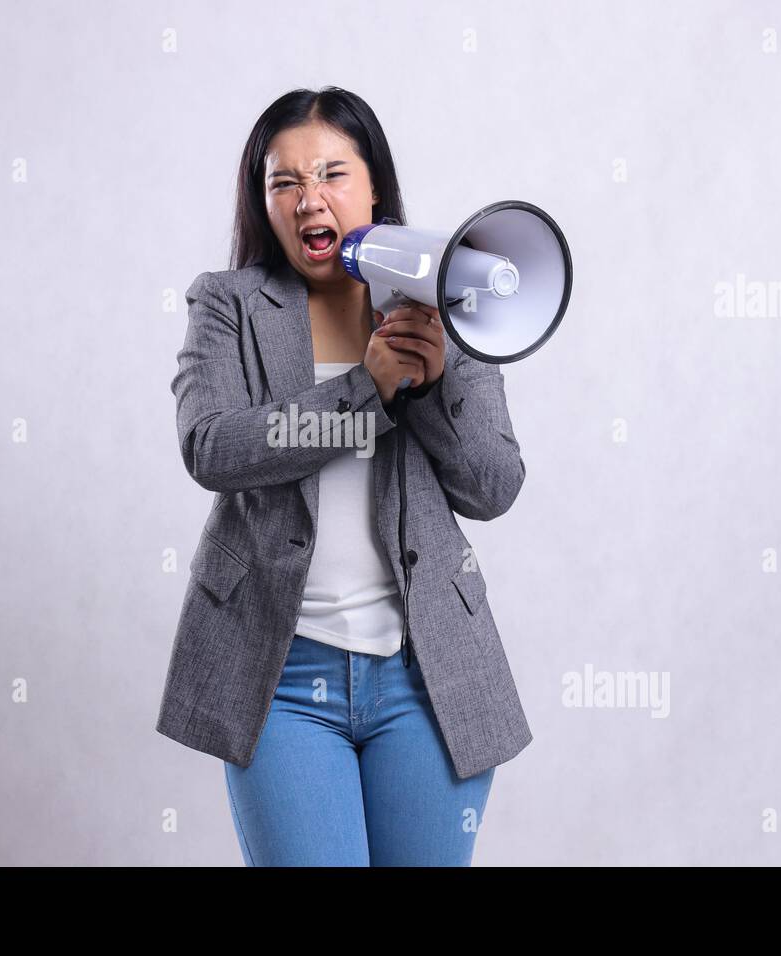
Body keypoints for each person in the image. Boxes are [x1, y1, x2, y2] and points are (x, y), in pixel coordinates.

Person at [156, 86, 533, 866]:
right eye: (284, 183)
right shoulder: (227, 305)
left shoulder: (442, 297)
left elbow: (493, 486)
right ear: (262, 203)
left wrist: (428, 391)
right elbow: (214, 447)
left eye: (332, 175)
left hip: (426, 680)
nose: (308, 200)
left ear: (376, 191)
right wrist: (366, 389)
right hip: (282, 677)